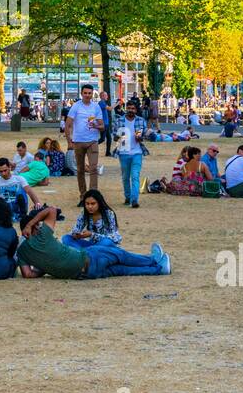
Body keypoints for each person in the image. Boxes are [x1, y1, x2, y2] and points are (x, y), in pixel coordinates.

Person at [16, 205, 170, 279]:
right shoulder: (43, 235)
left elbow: (28, 274)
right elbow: (52, 210)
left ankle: (157, 270)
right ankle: (153, 260)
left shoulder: (22, 252)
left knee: (121, 270)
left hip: (84, 275)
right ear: (34, 227)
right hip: (87, 258)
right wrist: (31, 224)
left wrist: (45, 267)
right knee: (120, 255)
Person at [64, 83, 106, 202]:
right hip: (78, 142)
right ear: (81, 94)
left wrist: (97, 125)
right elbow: (67, 125)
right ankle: (83, 196)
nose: (87, 95)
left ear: (92, 94)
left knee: (93, 168)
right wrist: (69, 142)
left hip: (92, 141)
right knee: (80, 169)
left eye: (89, 93)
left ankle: (93, 196)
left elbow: (102, 126)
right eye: (85, 93)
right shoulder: (76, 106)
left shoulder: (96, 107)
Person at [115, 103, 147, 207]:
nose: (131, 110)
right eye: (129, 108)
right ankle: (128, 197)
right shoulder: (119, 120)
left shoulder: (141, 121)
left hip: (137, 152)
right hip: (123, 152)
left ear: (136, 110)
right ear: (126, 109)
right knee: (125, 177)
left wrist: (140, 138)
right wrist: (119, 136)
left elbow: (145, 136)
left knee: (135, 176)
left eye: (133, 108)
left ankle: (134, 200)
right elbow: (114, 137)